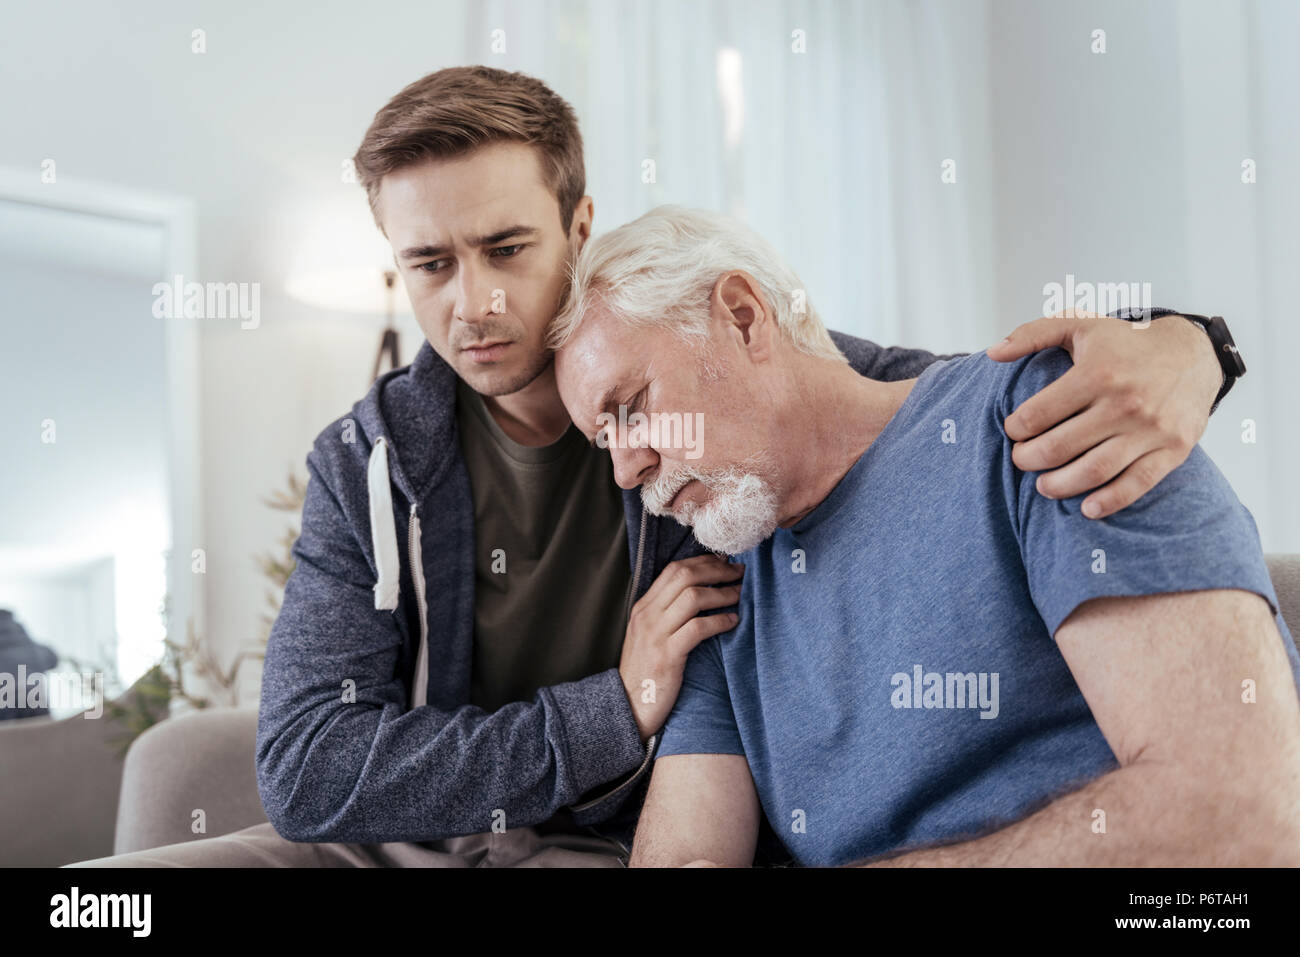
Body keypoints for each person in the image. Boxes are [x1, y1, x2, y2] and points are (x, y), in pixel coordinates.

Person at [69, 67, 1232, 868]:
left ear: (579, 226)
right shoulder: (367, 460)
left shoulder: (715, 396)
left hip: (600, 843)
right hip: (416, 841)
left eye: (505, 248)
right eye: (427, 264)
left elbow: (902, 406)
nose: (470, 304)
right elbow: (311, 771)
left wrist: (1192, 346)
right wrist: (611, 709)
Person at [547, 204, 1300, 868]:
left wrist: (1196, 342)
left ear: (743, 316)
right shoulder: (719, 594)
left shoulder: (1044, 418)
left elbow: (1244, 814)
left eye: (633, 406)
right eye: (603, 439)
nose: (625, 470)